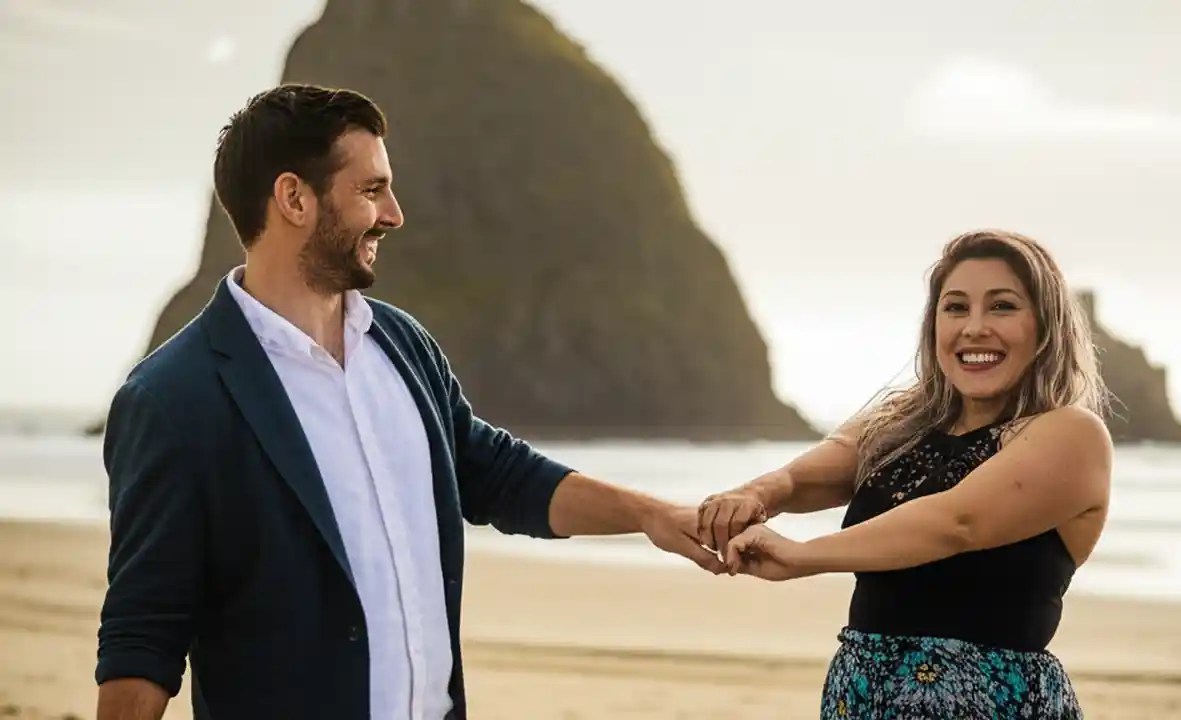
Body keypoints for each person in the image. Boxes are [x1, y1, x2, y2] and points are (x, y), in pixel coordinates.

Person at [94, 83, 724, 720]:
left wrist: (651, 515)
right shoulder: (172, 400)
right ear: (294, 198)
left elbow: (499, 476)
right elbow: (141, 641)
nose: (393, 213)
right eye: (370, 190)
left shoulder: (405, 347)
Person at [696, 229, 1111, 719]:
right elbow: (804, 478)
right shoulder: (899, 423)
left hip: (987, 703)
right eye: (955, 307)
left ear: (1045, 327)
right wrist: (750, 497)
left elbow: (955, 522)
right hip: (864, 693)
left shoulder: (1072, 434)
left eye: (1002, 306)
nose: (975, 327)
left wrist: (804, 556)